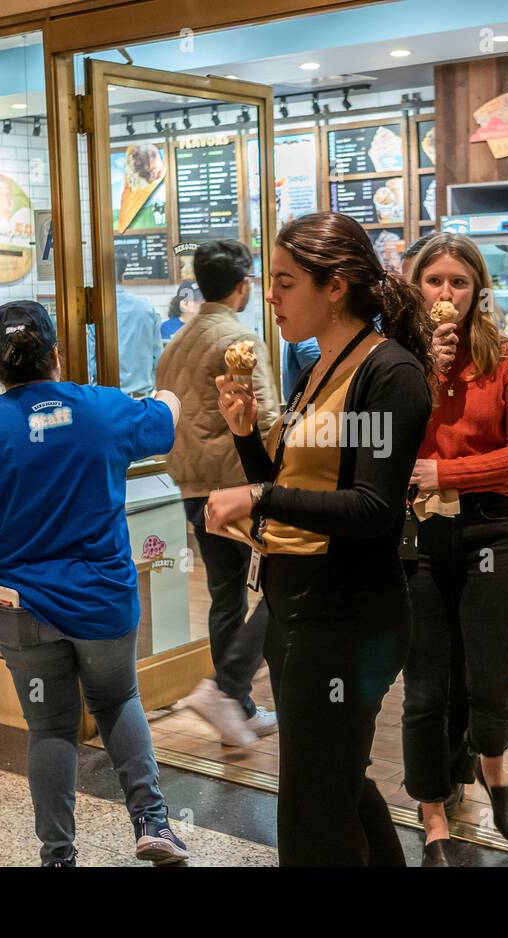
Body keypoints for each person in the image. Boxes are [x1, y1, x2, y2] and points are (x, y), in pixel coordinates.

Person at [0, 300, 188, 867]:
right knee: (117, 700)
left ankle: (58, 856)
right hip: (103, 599)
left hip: (22, 609)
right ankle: (153, 822)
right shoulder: (101, 409)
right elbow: (163, 425)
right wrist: (167, 396)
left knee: (51, 727)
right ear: (57, 354)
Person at [205, 211, 434, 866]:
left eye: (284, 282)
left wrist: (257, 494)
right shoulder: (319, 367)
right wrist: (248, 437)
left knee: (311, 814)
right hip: (298, 610)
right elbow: (291, 493)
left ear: (335, 286)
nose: (269, 297)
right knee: (338, 785)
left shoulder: (390, 375)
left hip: (347, 619)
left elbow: (370, 507)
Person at [405, 233, 508, 864]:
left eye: (458, 282)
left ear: (476, 290)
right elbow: (385, 443)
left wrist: (448, 473)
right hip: (420, 536)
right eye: (434, 280)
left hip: (489, 525)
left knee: (489, 674)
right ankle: (432, 813)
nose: (446, 293)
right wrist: (427, 372)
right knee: (427, 685)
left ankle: (494, 769)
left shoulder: (507, 359)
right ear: (416, 286)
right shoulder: (399, 360)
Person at [156, 240, 280, 747]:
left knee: (225, 594)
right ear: (243, 285)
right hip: (238, 487)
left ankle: (239, 707)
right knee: (288, 586)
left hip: (192, 487)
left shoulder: (175, 344)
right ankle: (228, 692)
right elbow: (266, 419)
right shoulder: (238, 339)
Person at [114, 252, 164, 395]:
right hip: (142, 399)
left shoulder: (96, 311)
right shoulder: (146, 308)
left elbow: (91, 363)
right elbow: (158, 357)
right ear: (123, 274)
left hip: (107, 401)